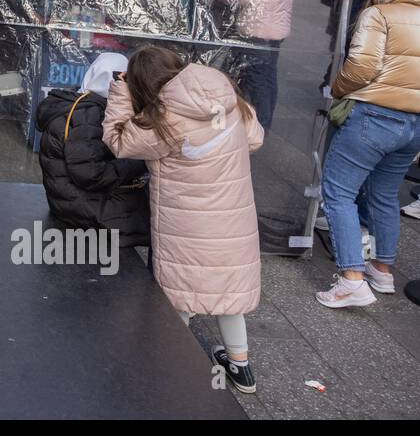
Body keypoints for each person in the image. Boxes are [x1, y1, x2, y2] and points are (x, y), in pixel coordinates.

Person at [104, 45, 264, 394]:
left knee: (178, 296)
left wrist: (120, 91)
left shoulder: (163, 120)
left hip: (187, 230)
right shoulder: (225, 96)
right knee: (229, 295)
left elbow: (118, 141)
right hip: (232, 224)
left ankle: (167, 365)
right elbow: (255, 137)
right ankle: (241, 368)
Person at [316, 0, 420, 308]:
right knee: (385, 194)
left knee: (339, 192)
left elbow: (360, 66)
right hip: (414, 125)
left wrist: (338, 88)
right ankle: (383, 269)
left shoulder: (379, 13)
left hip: (374, 116)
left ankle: (351, 278)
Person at [35, 53, 149, 247]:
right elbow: (90, 174)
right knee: (160, 224)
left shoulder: (76, 104)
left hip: (65, 200)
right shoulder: (90, 114)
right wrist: (139, 162)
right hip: (82, 208)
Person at [210, 0, 296, 130]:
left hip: (257, 31)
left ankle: (260, 126)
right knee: (269, 78)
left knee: (257, 81)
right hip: (276, 31)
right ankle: (265, 123)